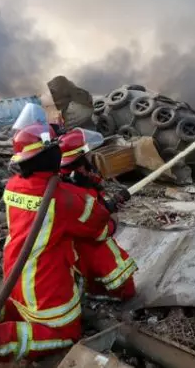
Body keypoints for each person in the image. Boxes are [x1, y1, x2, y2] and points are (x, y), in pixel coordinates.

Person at [0, 123, 123, 366]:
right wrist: (109, 211)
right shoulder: (65, 198)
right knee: (64, 332)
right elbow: (99, 227)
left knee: (17, 309)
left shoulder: (14, 185)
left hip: (16, 274)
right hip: (45, 286)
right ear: (52, 155)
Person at [58, 128, 138, 301]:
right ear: (77, 161)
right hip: (92, 246)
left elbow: (94, 193)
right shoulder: (73, 193)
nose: (89, 160)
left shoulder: (75, 180)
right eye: (85, 156)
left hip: (86, 245)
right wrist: (111, 221)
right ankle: (102, 296)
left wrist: (110, 201)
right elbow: (96, 229)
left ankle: (94, 290)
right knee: (126, 289)